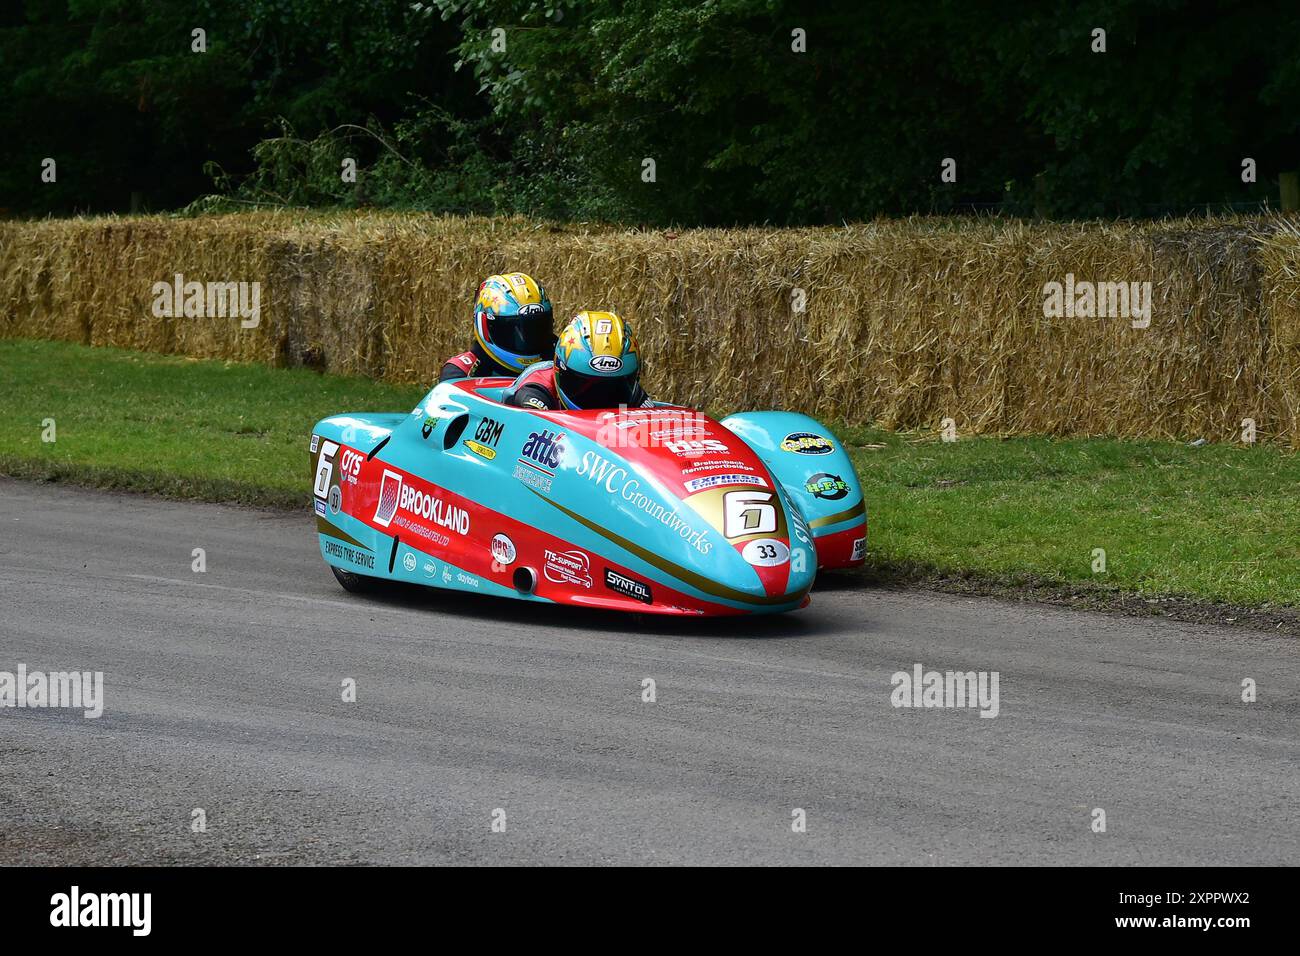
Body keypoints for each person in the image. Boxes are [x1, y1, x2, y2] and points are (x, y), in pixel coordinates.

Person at [505, 311, 652, 410]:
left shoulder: (631, 391)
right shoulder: (536, 389)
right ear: (560, 370)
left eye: (613, 389)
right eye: (586, 386)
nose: (599, 400)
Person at [439, 272, 557, 382]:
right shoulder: (460, 372)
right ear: (485, 326)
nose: (530, 339)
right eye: (512, 333)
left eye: (538, 328)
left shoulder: (559, 363)